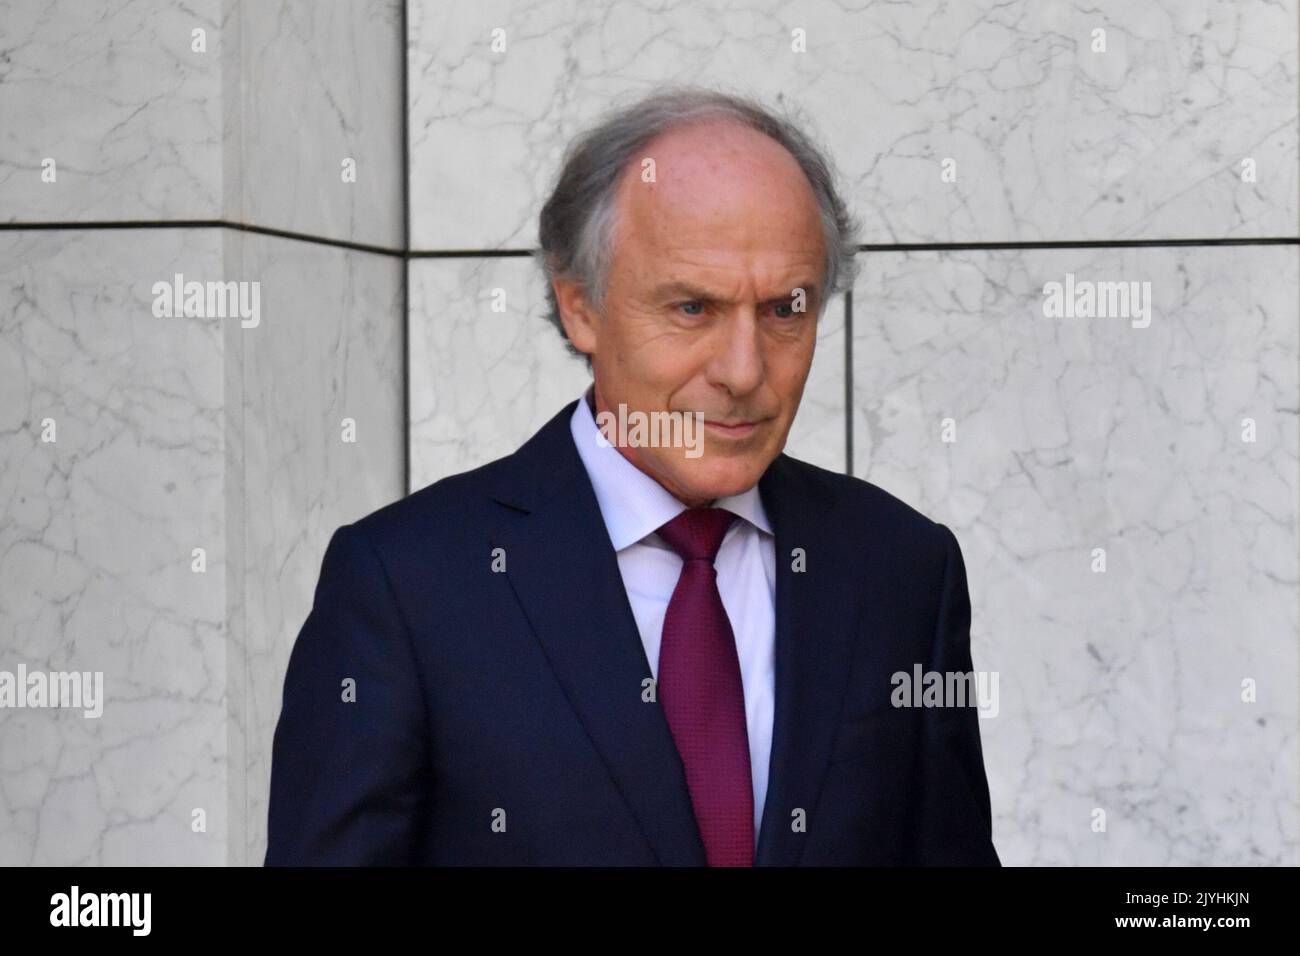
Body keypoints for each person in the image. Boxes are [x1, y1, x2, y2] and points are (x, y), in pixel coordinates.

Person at [265, 87, 999, 866]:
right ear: (579, 306)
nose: (745, 371)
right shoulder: (406, 587)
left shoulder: (901, 570)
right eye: (692, 308)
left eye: (786, 309)